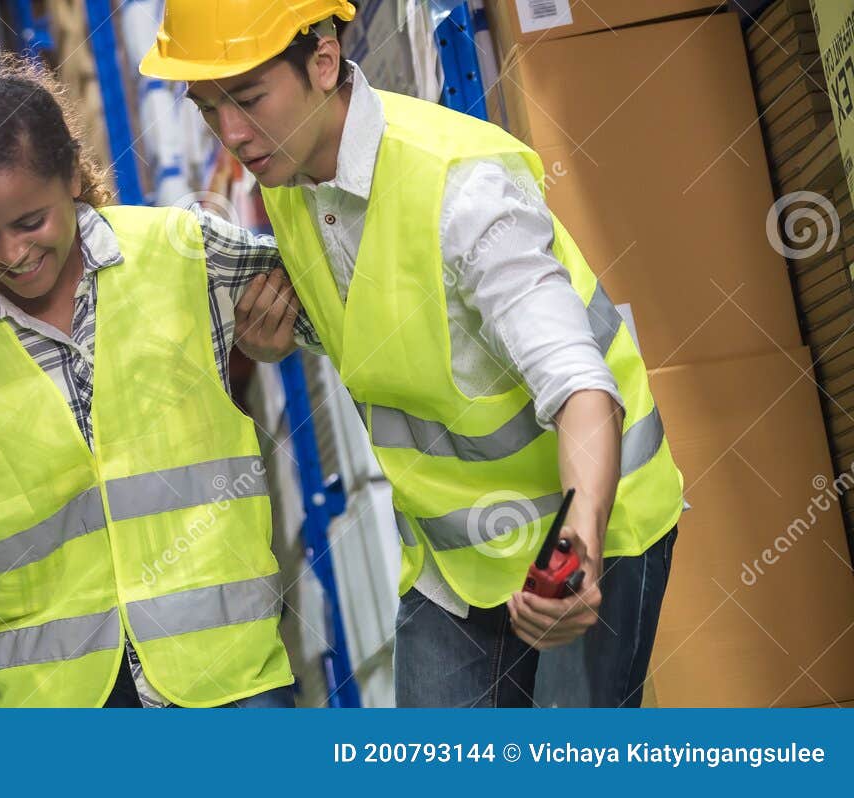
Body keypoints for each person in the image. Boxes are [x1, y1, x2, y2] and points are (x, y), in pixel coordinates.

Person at [139, 0, 684, 707]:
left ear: (325, 61)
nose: (233, 134)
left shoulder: (461, 186)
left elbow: (582, 387)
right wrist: (288, 333)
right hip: (454, 563)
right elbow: (397, 326)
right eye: (209, 110)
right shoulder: (291, 181)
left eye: (247, 99)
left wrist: (578, 547)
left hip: (589, 528)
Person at [0, 62, 302, 708]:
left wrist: (274, 329)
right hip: (57, 694)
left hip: (224, 671)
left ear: (74, 176)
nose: (12, 253)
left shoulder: (181, 250)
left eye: (31, 222)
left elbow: (321, 292)